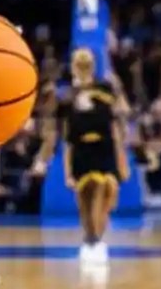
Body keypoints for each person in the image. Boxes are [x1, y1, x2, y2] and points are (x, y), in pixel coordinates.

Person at [37, 48, 130, 265]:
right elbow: (64, 136)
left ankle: (97, 240)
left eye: (86, 62)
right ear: (72, 66)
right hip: (81, 150)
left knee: (104, 193)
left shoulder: (106, 89)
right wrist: (67, 170)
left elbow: (120, 119)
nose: (82, 66)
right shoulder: (66, 96)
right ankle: (90, 239)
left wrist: (119, 89)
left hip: (104, 148)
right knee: (86, 198)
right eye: (78, 62)